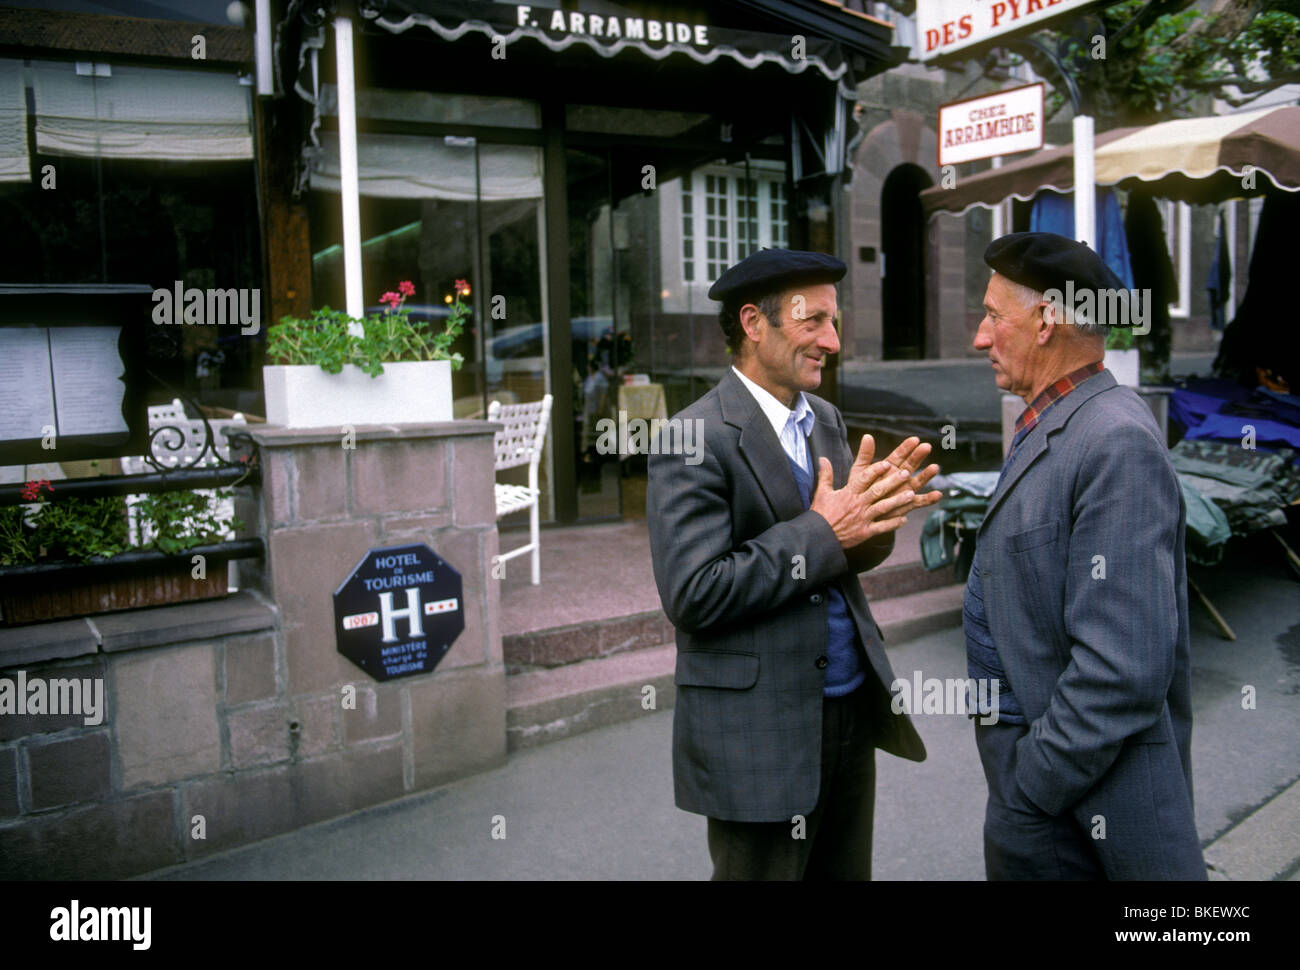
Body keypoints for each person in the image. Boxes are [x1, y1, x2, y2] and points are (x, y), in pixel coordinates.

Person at [645, 248, 940, 880]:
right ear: (754, 324)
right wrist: (825, 528)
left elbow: (841, 553)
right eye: (814, 322)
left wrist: (875, 515)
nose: (832, 341)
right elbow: (694, 593)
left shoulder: (824, 420)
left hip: (848, 708)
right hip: (758, 733)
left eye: (835, 322)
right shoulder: (691, 438)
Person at [967, 231, 1207, 880]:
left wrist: (1029, 787)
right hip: (1052, 804)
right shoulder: (1058, 419)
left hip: (1077, 811)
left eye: (992, 316)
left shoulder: (1113, 441)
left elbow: (1122, 669)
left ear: (1047, 321)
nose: (979, 338)